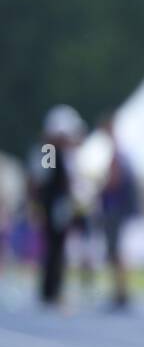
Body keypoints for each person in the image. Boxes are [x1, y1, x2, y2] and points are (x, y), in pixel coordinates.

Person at [26, 105, 85, 308]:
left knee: (57, 248)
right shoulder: (49, 150)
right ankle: (51, 290)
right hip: (52, 205)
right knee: (54, 248)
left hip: (55, 205)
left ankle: (52, 289)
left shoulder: (57, 151)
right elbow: (44, 181)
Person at [98, 111, 139, 310]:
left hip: (114, 209)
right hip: (119, 209)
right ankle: (120, 291)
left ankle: (121, 292)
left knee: (116, 252)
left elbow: (114, 181)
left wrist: (99, 188)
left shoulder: (116, 153)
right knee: (117, 252)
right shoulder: (122, 152)